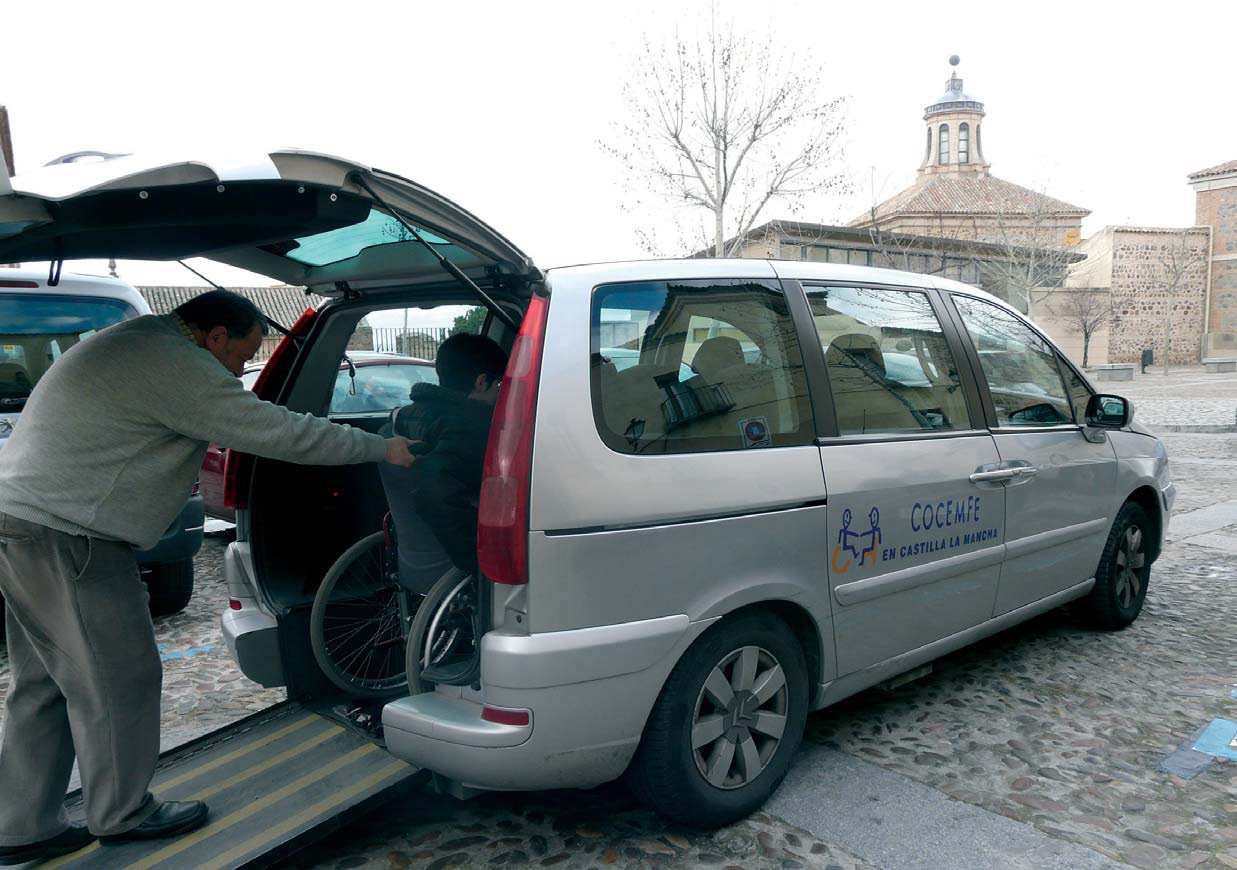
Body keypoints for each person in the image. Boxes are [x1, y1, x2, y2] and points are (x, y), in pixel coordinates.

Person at [0, 290, 416, 865]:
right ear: (215, 335)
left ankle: (21, 828)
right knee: (119, 679)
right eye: (242, 356)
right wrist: (381, 448)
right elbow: (278, 431)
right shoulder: (177, 363)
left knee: (44, 684)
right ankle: (123, 814)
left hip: (23, 524)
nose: (239, 371)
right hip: (70, 536)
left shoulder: (134, 342)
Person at [379, 333, 507, 592]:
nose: (499, 396)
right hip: (456, 576)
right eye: (499, 386)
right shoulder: (469, 430)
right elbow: (434, 491)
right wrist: (481, 560)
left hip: (412, 567)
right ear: (482, 382)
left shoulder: (395, 425)